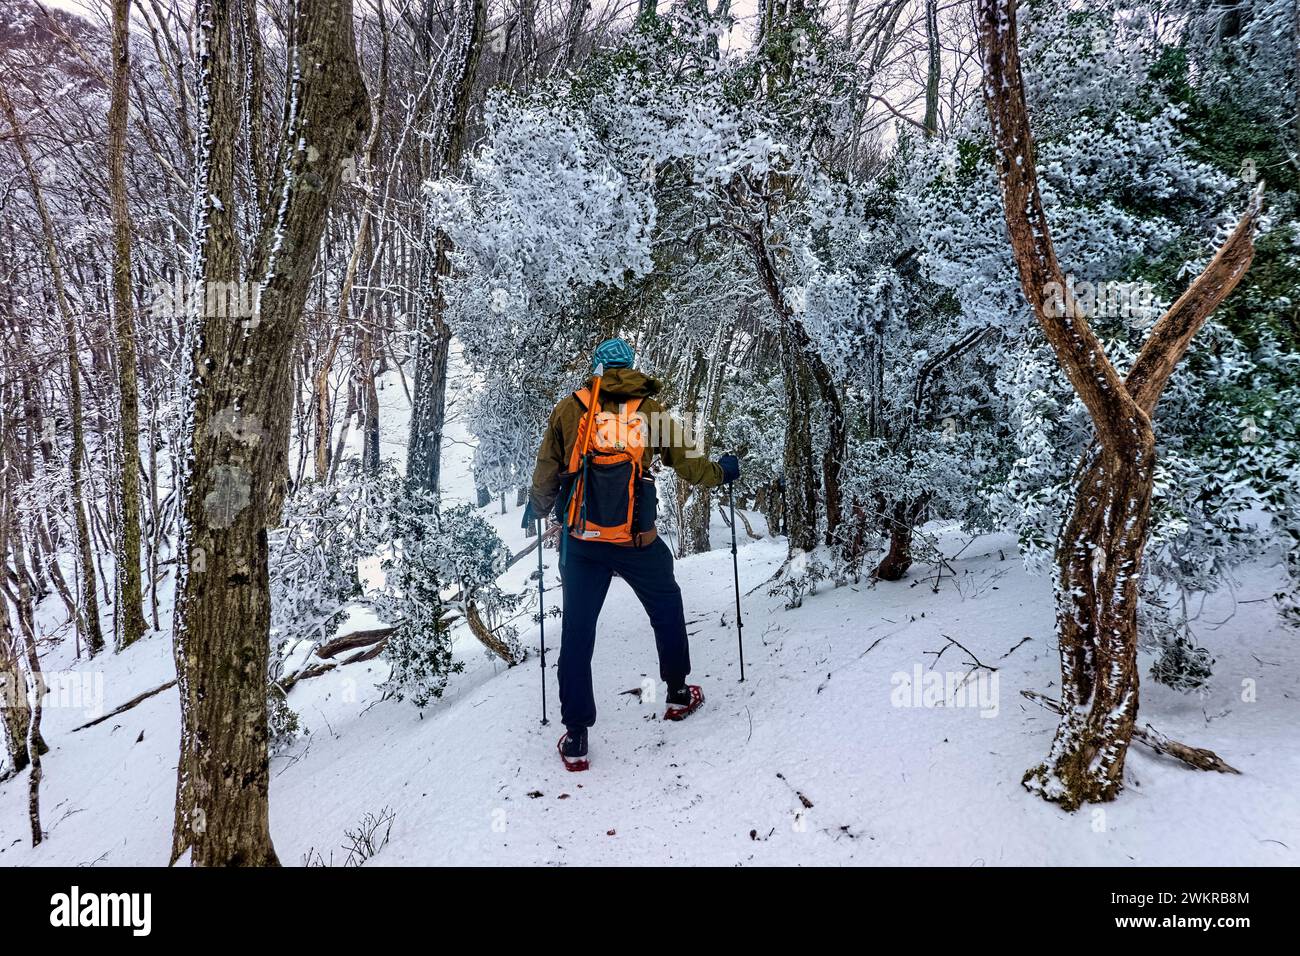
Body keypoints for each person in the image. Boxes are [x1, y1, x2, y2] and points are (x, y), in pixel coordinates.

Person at [524, 338, 740, 771]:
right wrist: (723, 471)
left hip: (582, 543)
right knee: (666, 606)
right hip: (637, 541)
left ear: (597, 367)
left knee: (578, 633)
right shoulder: (649, 412)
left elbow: (547, 470)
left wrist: (536, 508)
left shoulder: (570, 409)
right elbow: (691, 466)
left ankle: (577, 737)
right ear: (631, 366)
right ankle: (678, 694)